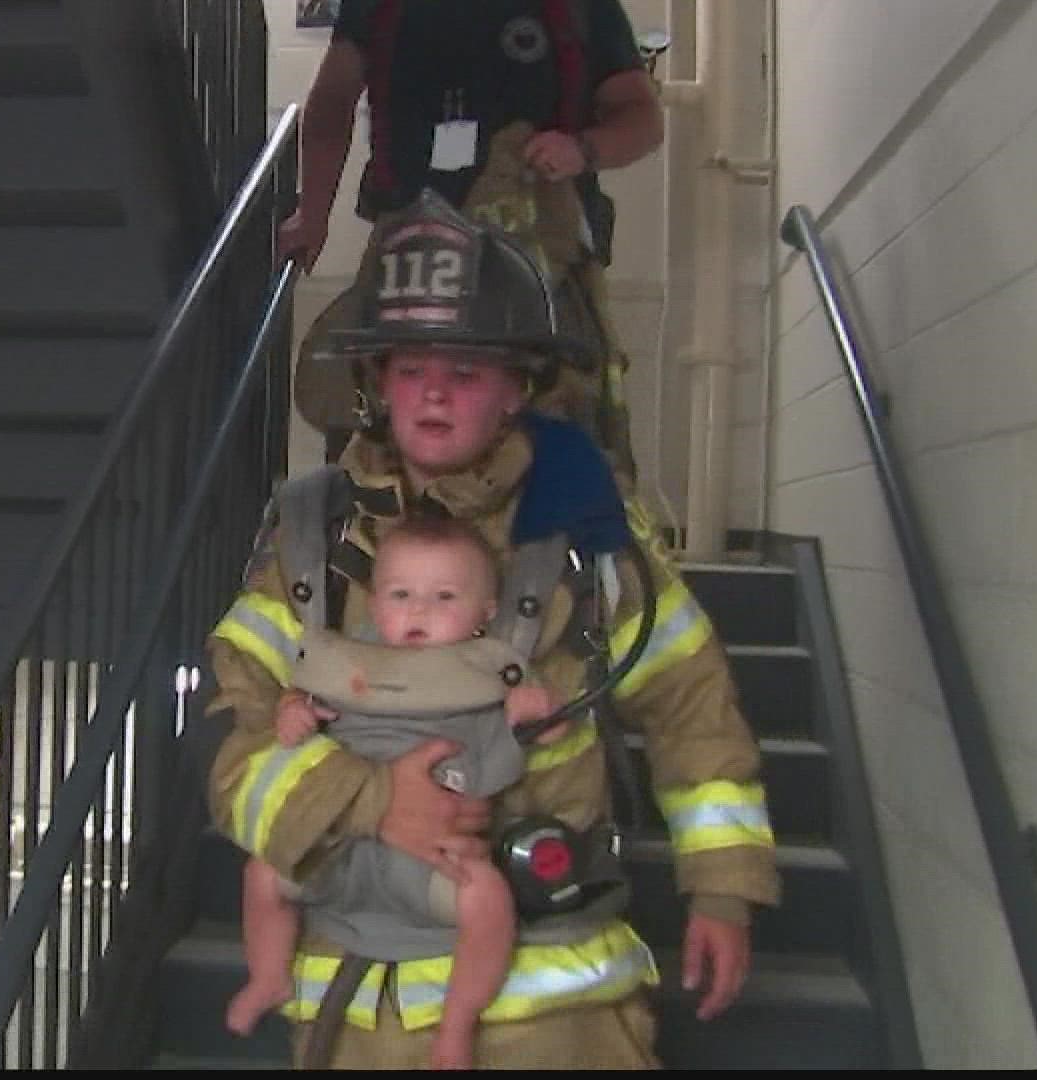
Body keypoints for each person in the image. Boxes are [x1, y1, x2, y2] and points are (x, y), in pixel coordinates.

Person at [202, 192, 778, 1068]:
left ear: (517, 390)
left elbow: (691, 707)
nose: (434, 390)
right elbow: (229, 743)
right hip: (351, 1007)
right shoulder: (311, 543)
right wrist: (372, 800)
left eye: (467, 371)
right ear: (375, 381)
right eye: (410, 367)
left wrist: (724, 889)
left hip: (549, 1012)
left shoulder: (585, 536)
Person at [224, 516, 569, 1069]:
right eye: (401, 594)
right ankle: (269, 977)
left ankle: (457, 1024)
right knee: (263, 874)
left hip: (432, 864)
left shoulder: (487, 681)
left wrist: (536, 717)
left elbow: (523, 746)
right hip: (342, 850)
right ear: (375, 603)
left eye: (444, 596)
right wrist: (292, 713)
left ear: (486, 611)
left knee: (489, 899)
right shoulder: (343, 667)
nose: (419, 611)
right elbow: (302, 727)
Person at [279, 0, 667, 480]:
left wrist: (584, 150)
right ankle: (376, 543)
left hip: (543, 261)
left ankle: (556, 546)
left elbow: (642, 118)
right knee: (379, 432)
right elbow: (332, 102)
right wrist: (311, 215)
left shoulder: (582, 8)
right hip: (410, 258)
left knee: (556, 423)